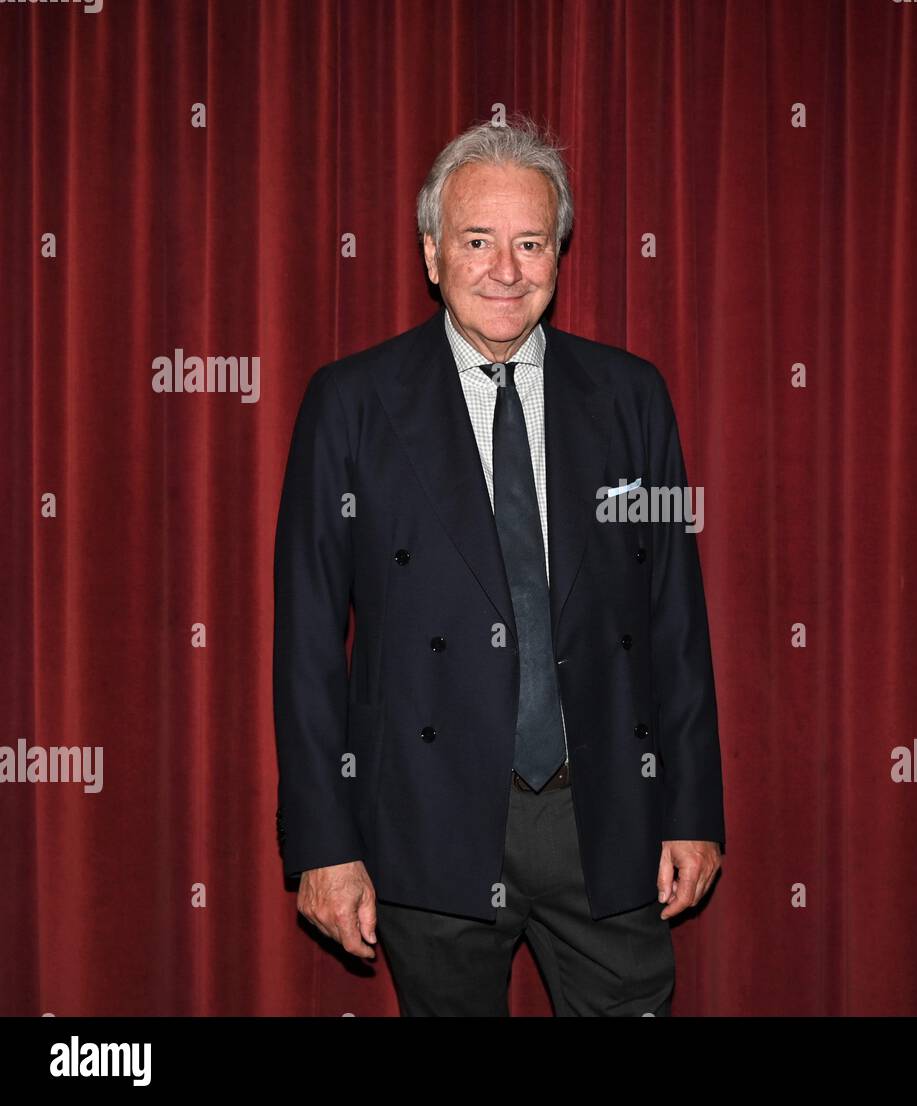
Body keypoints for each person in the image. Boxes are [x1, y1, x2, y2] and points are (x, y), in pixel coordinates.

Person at [272, 114, 725, 1016]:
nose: (506, 270)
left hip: (600, 815)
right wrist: (323, 842)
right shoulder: (350, 404)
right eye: (479, 241)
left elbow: (673, 613)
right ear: (432, 253)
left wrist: (692, 808)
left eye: (530, 242)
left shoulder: (633, 398)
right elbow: (308, 639)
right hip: (426, 820)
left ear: (559, 255)